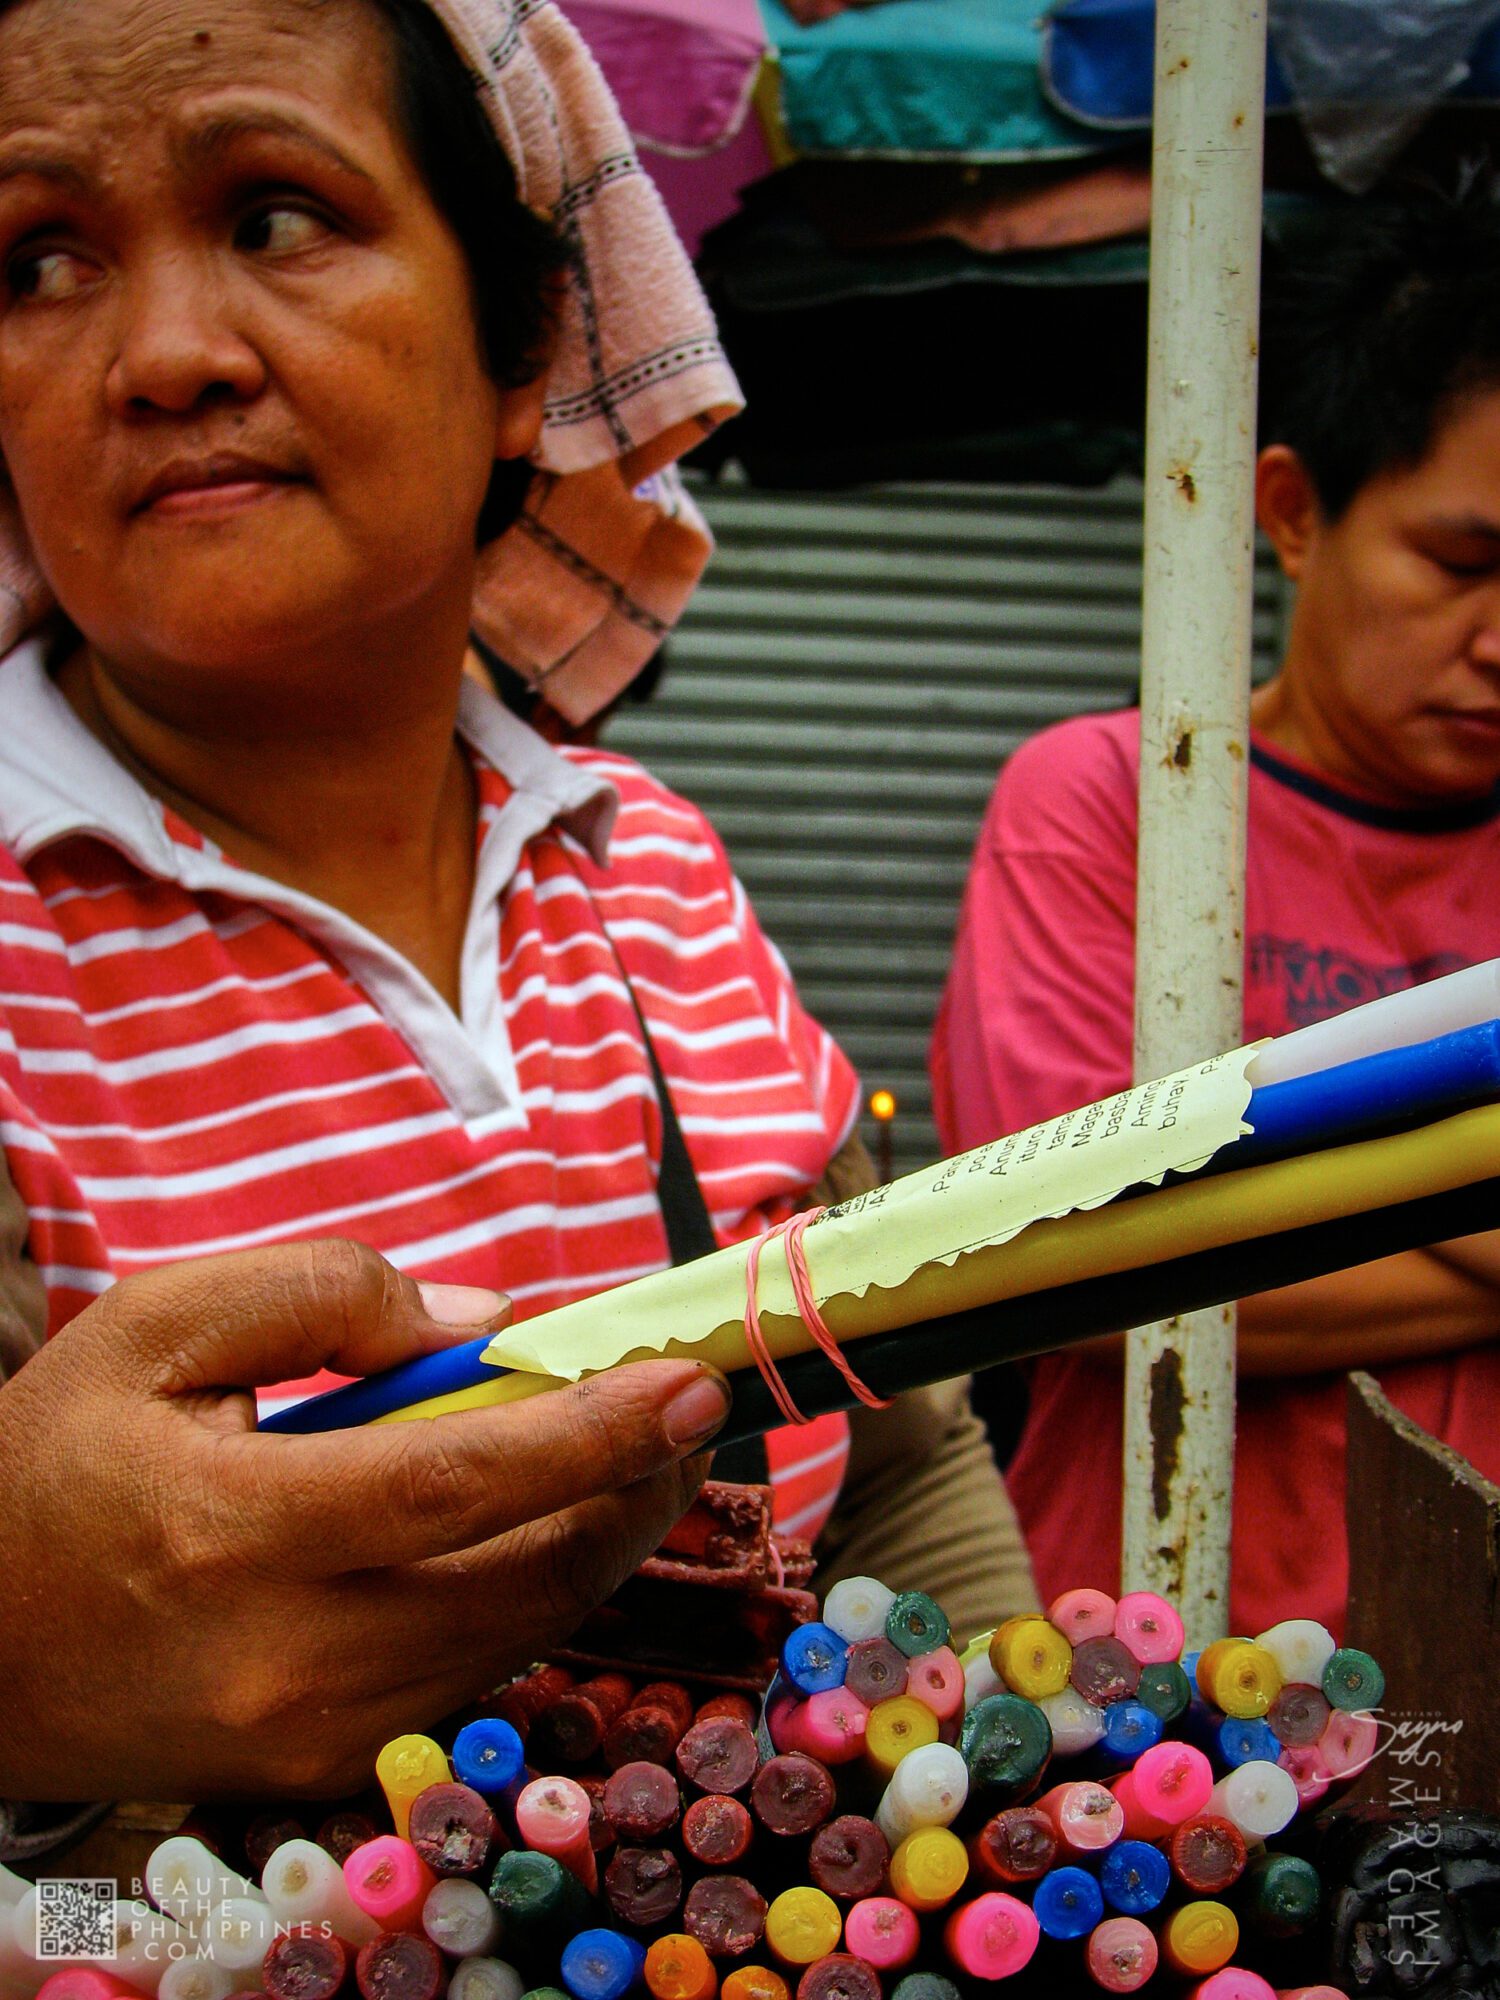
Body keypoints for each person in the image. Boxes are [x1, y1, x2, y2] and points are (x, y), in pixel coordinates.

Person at [0, 0, 1031, 1835]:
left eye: (276, 215)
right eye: (36, 258)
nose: (160, 356)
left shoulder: (651, 862)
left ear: (526, 340)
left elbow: (897, 1447)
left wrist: (1022, 1817)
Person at [932, 173, 1500, 1639]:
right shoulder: (1111, 807)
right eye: (1462, 563)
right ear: (1294, 514)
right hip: (1151, 1719)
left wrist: (1257, 1226)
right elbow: (1068, 1261)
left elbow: (1193, 1256)